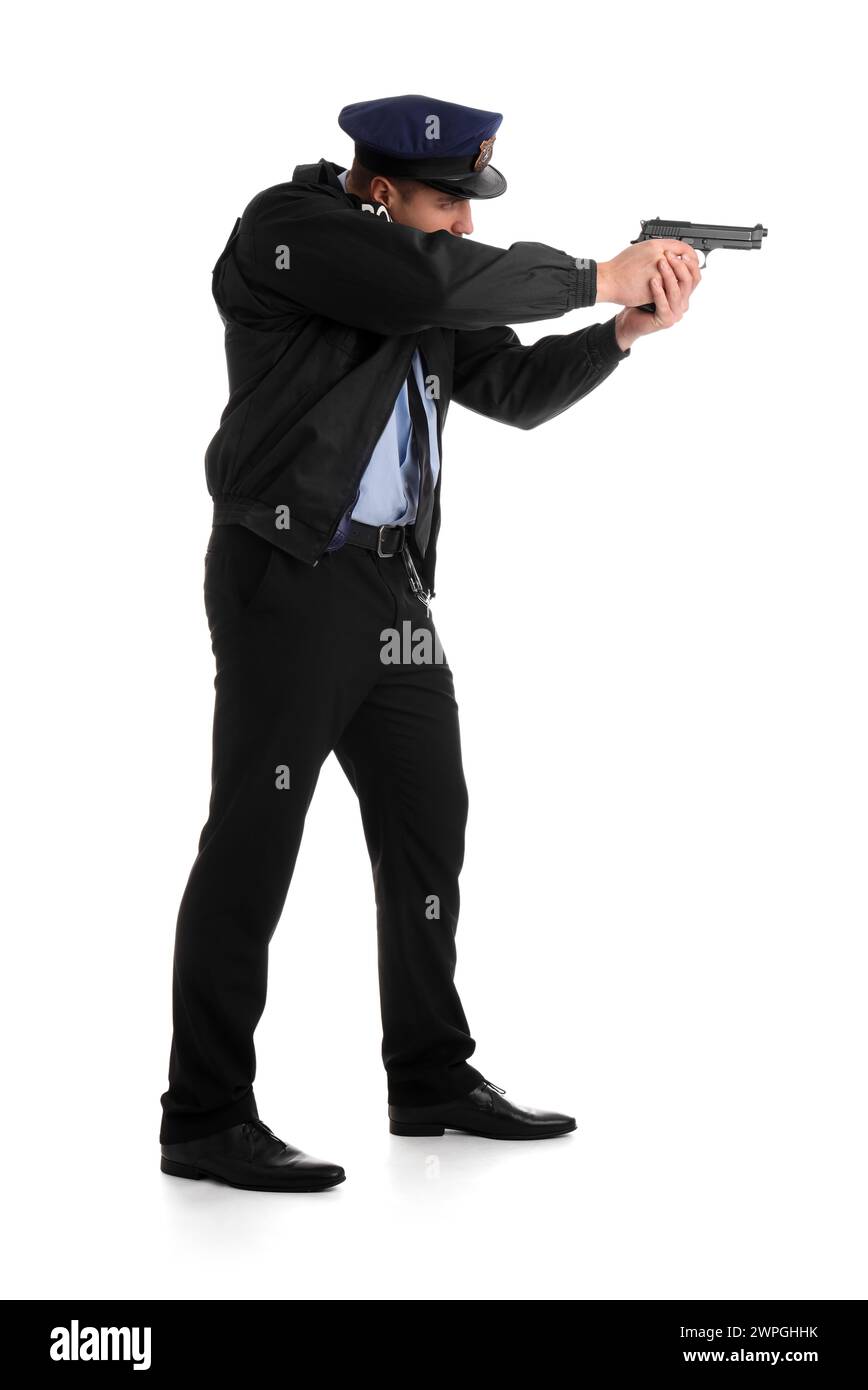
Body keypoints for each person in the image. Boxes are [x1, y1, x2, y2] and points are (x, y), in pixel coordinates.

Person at [159, 93, 701, 1193]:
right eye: (447, 198)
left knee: (427, 823)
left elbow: (509, 386)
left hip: (388, 589)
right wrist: (597, 270)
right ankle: (204, 1114)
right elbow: (424, 285)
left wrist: (620, 332)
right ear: (378, 188)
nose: (461, 220)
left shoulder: (424, 278)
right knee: (256, 836)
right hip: (287, 575)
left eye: (469, 202)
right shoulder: (294, 232)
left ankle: (430, 1075)